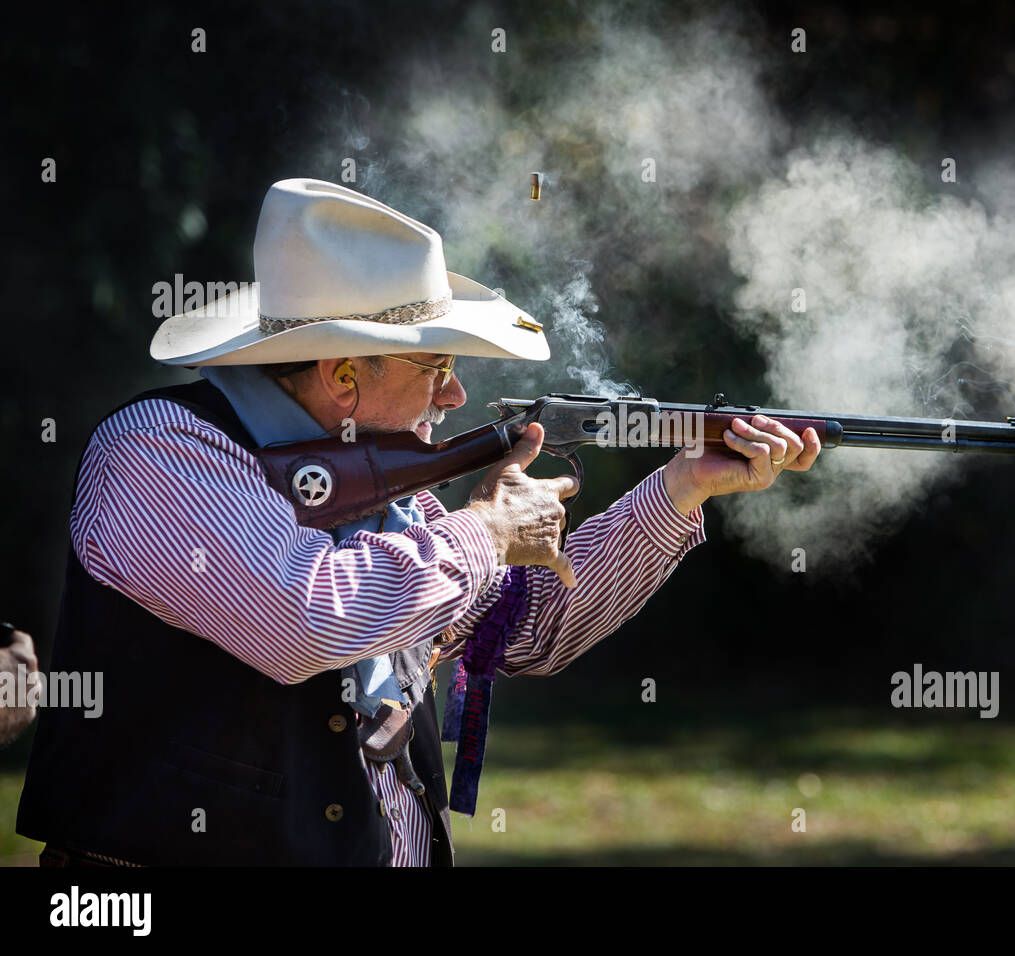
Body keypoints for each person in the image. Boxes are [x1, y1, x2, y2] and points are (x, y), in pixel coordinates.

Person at [17, 179, 820, 866]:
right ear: (340, 377)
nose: (453, 396)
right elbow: (311, 617)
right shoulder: (160, 450)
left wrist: (681, 488)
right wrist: (487, 529)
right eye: (436, 366)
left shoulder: (384, 488)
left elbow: (531, 626)